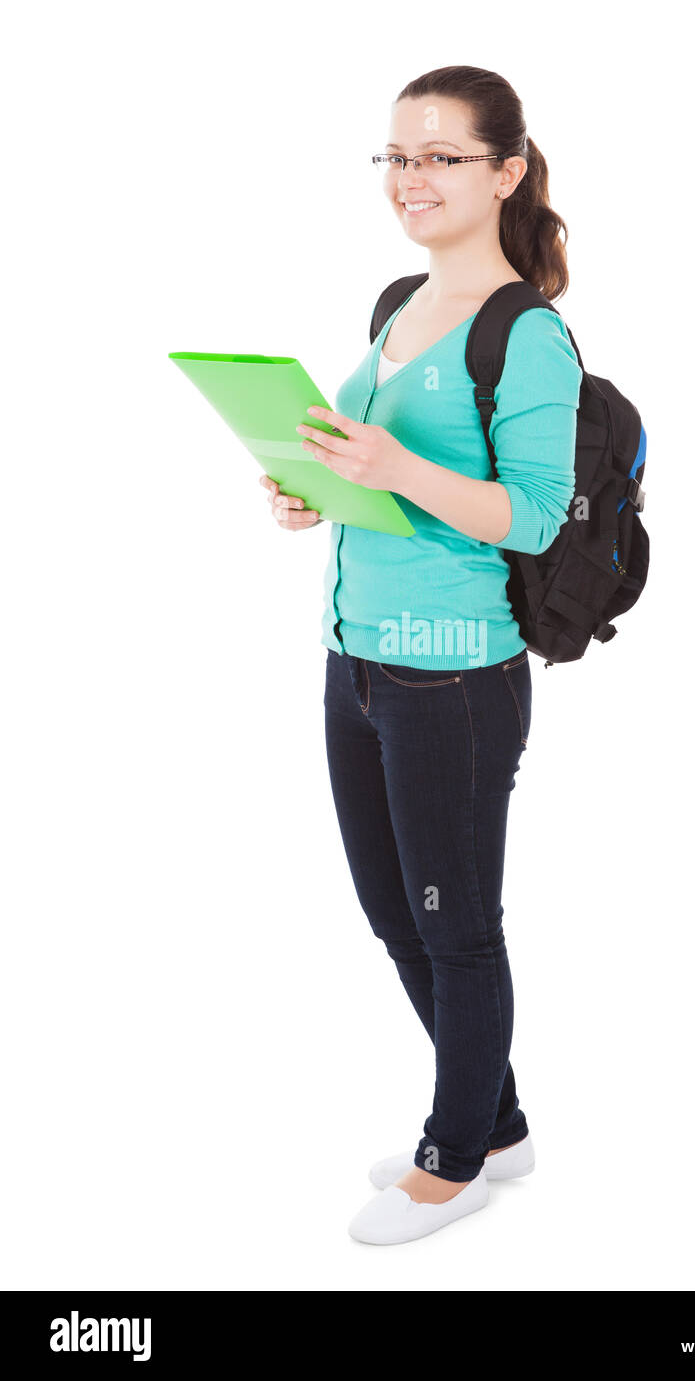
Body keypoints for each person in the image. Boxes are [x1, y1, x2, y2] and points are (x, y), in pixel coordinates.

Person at [259, 64, 581, 1245]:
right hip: (356, 653)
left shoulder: (526, 333)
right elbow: (378, 474)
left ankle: (453, 1158)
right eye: (396, 156)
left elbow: (534, 514)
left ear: (503, 172)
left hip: (455, 669)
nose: (411, 179)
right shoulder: (397, 302)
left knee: (454, 924)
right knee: (394, 912)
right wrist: (316, 494)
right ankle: (494, 1121)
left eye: (440, 156)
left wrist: (392, 471)